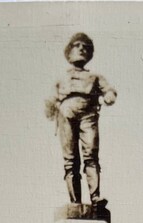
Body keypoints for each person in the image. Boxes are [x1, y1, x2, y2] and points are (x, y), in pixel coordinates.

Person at [45, 33, 116, 206]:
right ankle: (75, 201)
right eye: (77, 45)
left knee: (91, 155)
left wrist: (109, 96)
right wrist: (50, 107)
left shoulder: (95, 77)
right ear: (69, 52)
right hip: (66, 114)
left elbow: (109, 91)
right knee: (70, 159)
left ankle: (95, 197)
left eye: (85, 47)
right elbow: (51, 100)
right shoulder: (60, 78)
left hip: (88, 114)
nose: (81, 49)